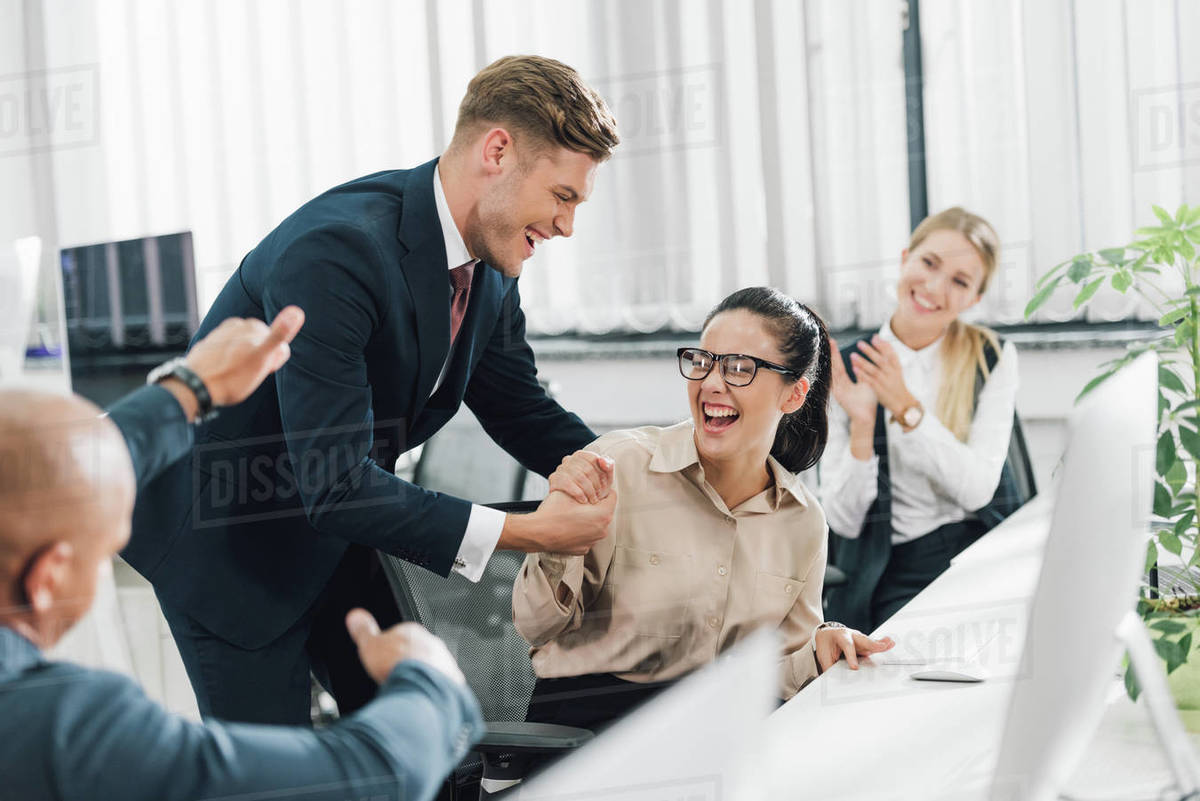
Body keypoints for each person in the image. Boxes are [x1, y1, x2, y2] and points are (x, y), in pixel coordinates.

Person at [125, 55, 622, 725]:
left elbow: (519, 405)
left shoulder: (493, 258)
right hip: (233, 542)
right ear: (497, 151)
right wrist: (529, 530)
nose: (566, 225)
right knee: (280, 779)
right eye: (563, 196)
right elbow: (333, 483)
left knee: (433, 729)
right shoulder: (339, 252)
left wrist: (636, 468)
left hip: (343, 534)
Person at [0, 309, 484, 801]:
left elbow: (46, 469)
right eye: (104, 548)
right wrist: (428, 681)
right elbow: (372, 776)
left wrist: (190, 389)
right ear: (48, 579)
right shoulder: (58, 730)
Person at [513, 287, 894, 735]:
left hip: (711, 735)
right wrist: (554, 540)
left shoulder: (801, 519)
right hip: (588, 736)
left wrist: (818, 650)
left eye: (739, 368)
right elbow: (534, 625)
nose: (712, 382)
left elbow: (773, 675)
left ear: (793, 396)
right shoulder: (619, 468)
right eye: (703, 361)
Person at [821, 207, 1025, 633]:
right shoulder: (846, 367)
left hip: (981, 551)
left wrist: (907, 409)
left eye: (959, 281)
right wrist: (862, 426)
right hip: (897, 569)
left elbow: (976, 492)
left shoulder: (992, 357)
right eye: (928, 263)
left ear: (974, 299)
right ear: (904, 259)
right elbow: (842, 521)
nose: (934, 286)